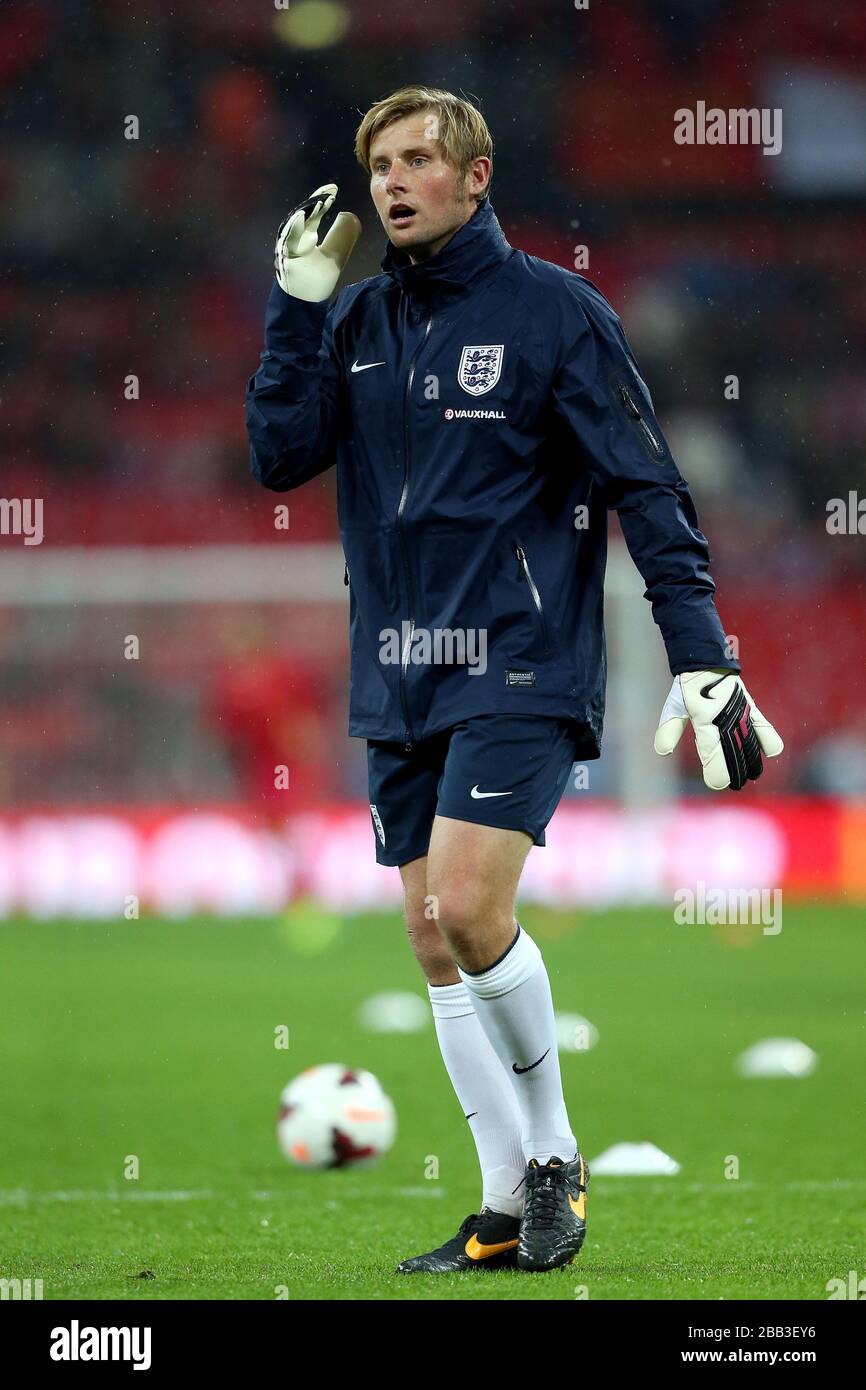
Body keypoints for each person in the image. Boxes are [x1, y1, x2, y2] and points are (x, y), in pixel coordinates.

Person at [245, 85, 783, 1274]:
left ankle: (553, 1160)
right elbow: (280, 456)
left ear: (473, 176)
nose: (391, 181)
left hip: (519, 655)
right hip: (398, 665)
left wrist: (702, 658)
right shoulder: (360, 320)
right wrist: (294, 313)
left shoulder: (555, 314)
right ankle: (497, 1208)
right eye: (378, 162)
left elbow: (646, 485)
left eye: (417, 159)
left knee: (473, 910)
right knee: (433, 941)